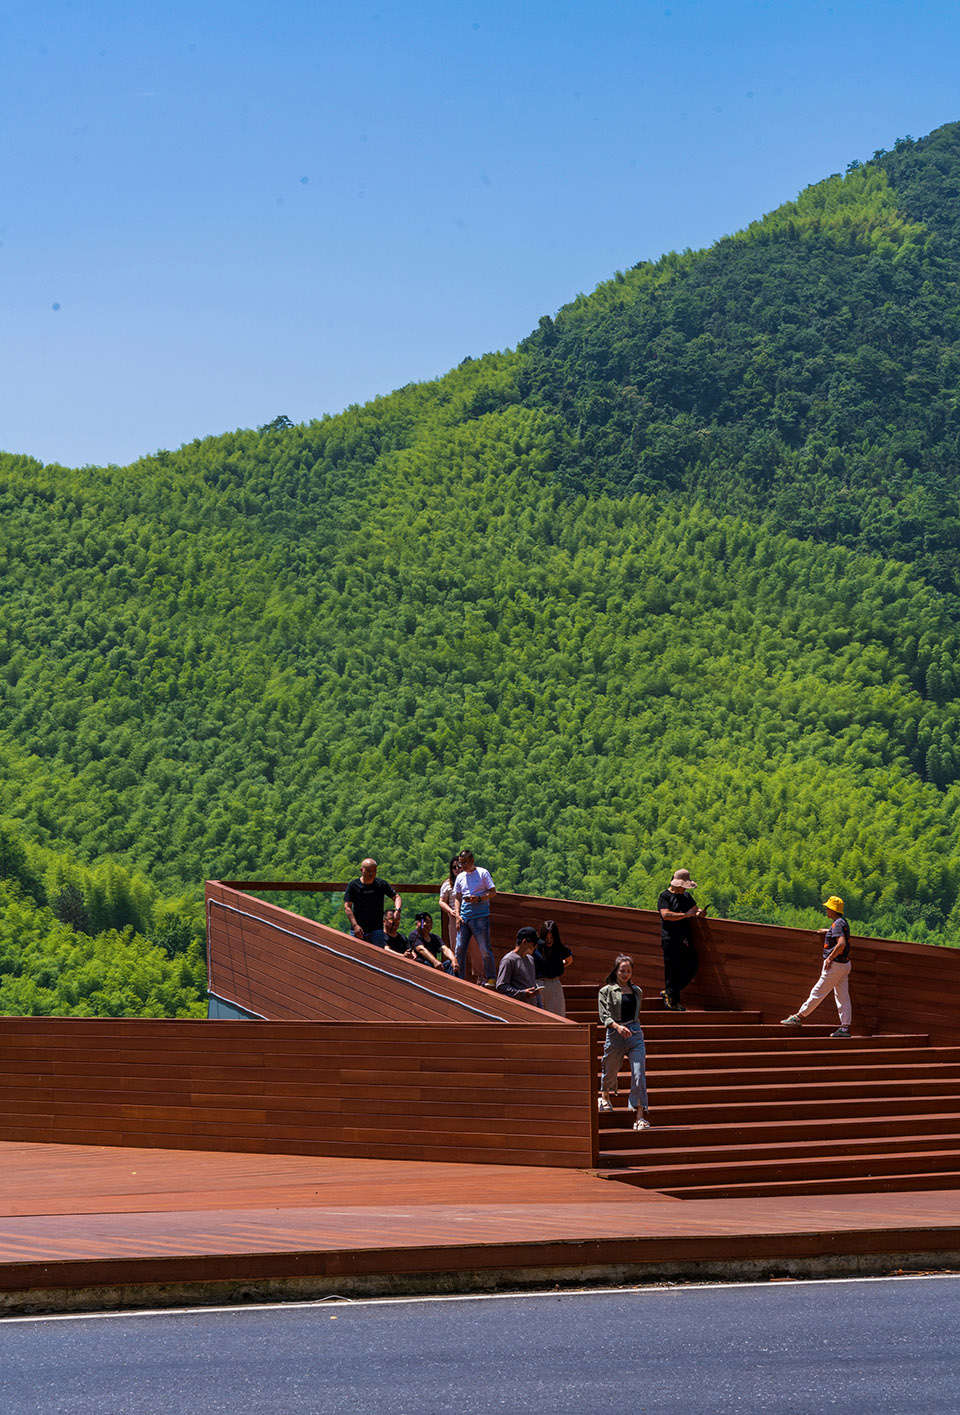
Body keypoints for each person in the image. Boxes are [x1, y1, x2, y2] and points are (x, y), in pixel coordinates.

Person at [781, 895, 853, 1038]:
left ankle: (798, 1017)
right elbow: (840, 934)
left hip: (835, 964)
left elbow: (841, 943)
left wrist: (830, 958)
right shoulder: (841, 922)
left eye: (828, 908)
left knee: (817, 991)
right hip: (845, 964)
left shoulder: (837, 924)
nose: (826, 910)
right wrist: (829, 931)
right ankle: (845, 1028)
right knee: (843, 996)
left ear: (833, 909)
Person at [598, 954, 650, 1130]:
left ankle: (640, 1115)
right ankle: (605, 1096)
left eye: (628, 971)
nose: (625, 974)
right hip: (615, 1034)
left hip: (635, 1033)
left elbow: (635, 1014)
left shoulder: (637, 991)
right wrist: (617, 1027)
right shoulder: (606, 991)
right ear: (616, 971)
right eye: (622, 970)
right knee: (610, 1069)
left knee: (638, 1073)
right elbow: (604, 1015)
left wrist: (631, 1028)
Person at [657, 868, 704, 1011]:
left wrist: (699, 912)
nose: (683, 890)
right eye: (681, 887)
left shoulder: (686, 897)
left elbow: (695, 909)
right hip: (670, 938)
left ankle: (669, 993)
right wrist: (686, 915)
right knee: (672, 971)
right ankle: (674, 1002)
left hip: (684, 938)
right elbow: (666, 915)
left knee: (692, 965)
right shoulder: (664, 896)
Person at [453, 848, 497, 987]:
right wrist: (457, 916)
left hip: (480, 917)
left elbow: (493, 892)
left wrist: (479, 898)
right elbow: (457, 897)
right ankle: (458, 978)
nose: (462, 867)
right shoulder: (460, 877)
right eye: (460, 864)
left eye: (465, 863)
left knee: (484, 948)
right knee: (459, 948)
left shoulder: (483, 873)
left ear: (472, 861)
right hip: (464, 918)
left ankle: (491, 977)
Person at [343, 859, 402, 942]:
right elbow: (347, 907)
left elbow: (396, 897)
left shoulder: (381, 884)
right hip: (358, 929)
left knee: (377, 954)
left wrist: (397, 911)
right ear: (361, 870)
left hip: (376, 929)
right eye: (368, 871)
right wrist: (355, 925)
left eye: (374, 871)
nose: (371, 874)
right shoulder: (353, 885)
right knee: (355, 954)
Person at [496, 926, 543, 1004]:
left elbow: (533, 984)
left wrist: (540, 1006)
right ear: (524, 942)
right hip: (517, 1010)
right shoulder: (509, 960)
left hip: (532, 1010)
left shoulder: (530, 959)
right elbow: (501, 986)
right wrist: (522, 993)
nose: (536, 947)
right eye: (534, 944)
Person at [535, 919, 572, 1016]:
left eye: (551, 938)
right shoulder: (536, 948)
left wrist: (558, 965)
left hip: (553, 983)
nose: (549, 941)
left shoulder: (559, 948)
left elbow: (569, 960)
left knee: (557, 1016)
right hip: (538, 983)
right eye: (547, 938)